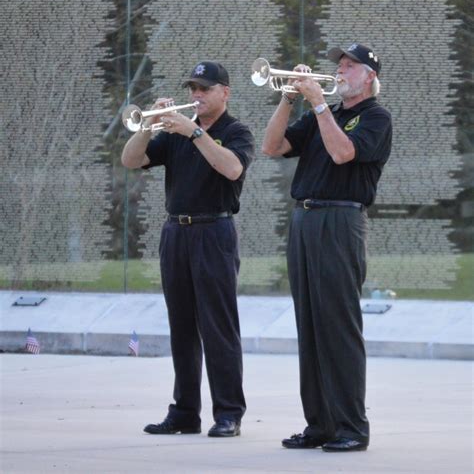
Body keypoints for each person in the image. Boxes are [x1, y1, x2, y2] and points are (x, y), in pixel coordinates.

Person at [261, 44, 392, 452]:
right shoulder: (326, 113)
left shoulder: (375, 117)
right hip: (304, 218)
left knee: (338, 325)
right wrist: (288, 97)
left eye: (350, 66)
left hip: (340, 219)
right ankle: (319, 424)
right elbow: (272, 146)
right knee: (310, 326)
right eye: (339, 65)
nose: (341, 71)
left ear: (369, 76)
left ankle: (352, 426)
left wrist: (317, 104)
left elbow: (342, 153)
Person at [122, 61, 255, 438]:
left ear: (224, 92)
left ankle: (229, 413)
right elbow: (130, 161)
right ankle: (184, 411)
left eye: (205, 89)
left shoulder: (236, 131)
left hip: (214, 231)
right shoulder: (176, 133)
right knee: (181, 327)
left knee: (219, 328)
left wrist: (194, 132)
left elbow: (231, 169)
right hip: (175, 233)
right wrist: (148, 128)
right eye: (192, 88)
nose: (196, 95)